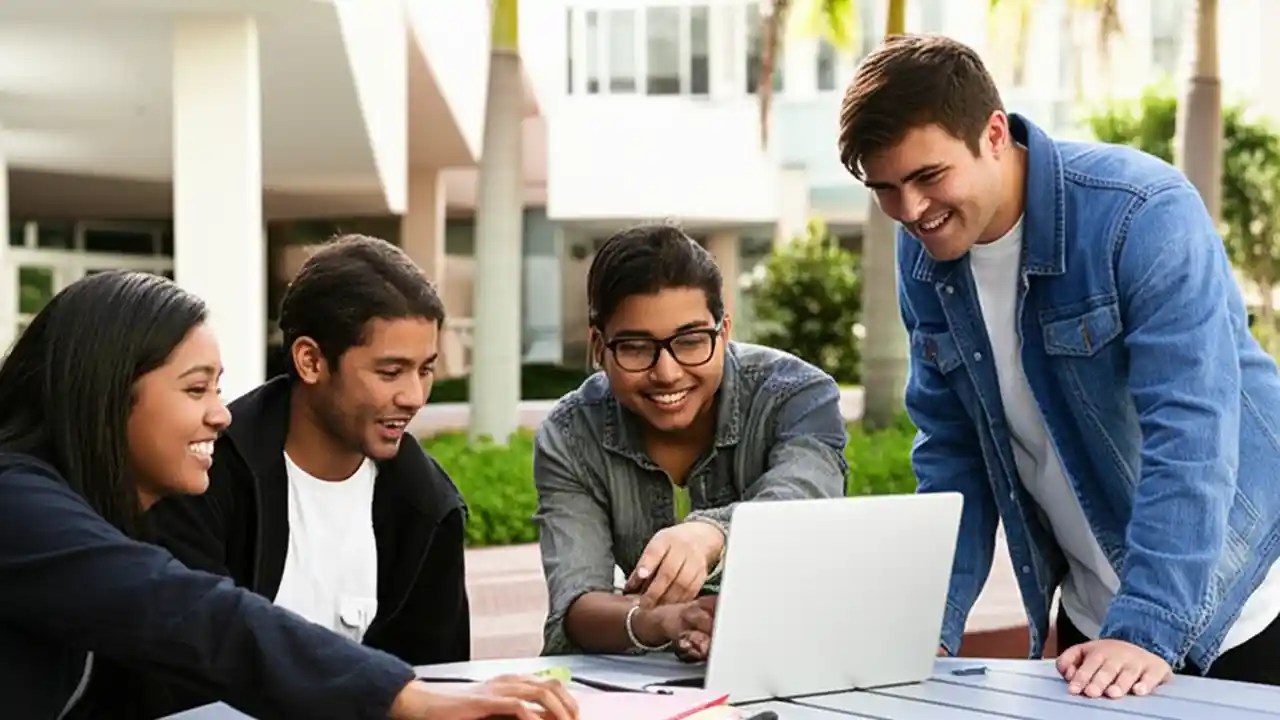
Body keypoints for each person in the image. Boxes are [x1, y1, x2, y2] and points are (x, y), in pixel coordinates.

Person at [838, 34, 1280, 697]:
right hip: (1096, 624)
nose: (909, 211)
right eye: (885, 189)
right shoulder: (925, 256)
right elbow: (954, 452)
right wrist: (930, 623)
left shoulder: (1141, 214)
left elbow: (1191, 433)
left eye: (928, 177)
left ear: (993, 134)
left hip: (1238, 607)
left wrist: (1147, 626)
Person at [0, 270, 576, 720]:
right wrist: (405, 696)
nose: (220, 413)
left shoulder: (425, 501)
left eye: (219, 387)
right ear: (104, 393)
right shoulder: (16, 501)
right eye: (196, 388)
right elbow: (183, 611)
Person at [143, 235, 470, 712]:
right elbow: (181, 666)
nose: (415, 396)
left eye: (424, 369)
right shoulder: (206, 475)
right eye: (390, 371)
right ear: (311, 360)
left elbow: (439, 685)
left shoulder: (427, 506)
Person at [534, 223, 848, 660]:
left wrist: (712, 533)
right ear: (598, 346)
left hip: (804, 656)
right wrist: (658, 621)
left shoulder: (795, 394)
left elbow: (806, 495)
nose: (667, 372)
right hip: (656, 688)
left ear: (724, 332)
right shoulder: (569, 435)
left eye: (691, 341)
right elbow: (575, 605)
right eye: (636, 347)